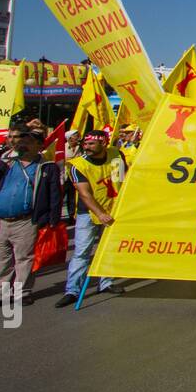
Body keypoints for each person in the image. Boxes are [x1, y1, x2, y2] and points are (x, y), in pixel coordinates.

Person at [0, 127, 62, 307]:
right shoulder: (4, 164)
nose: (21, 144)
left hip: (27, 221)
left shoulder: (47, 167)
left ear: (39, 145)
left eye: (28, 141)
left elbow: (55, 195)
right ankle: (1, 293)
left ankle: (22, 292)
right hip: (1, 221)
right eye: (20, 141)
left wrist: (52, 221)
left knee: (24, 258)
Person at [56, 128, 128, 307]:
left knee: (108, 249)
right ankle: (72, 290)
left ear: (103, 143)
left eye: (91, 144)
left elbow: (120, 179)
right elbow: (85, 194)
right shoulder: (77, 165)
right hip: (88, 213)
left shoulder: (116, 154)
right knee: (82, 252)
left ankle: (106, 283)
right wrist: (100, 213)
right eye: (85, 144)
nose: (86, 147)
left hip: (113, 209)